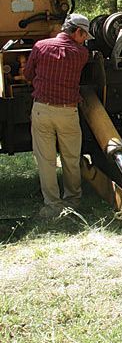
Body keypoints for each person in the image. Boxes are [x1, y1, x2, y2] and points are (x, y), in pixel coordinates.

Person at [24, 13, 92, 219]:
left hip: (42, 109)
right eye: (84, 35)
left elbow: (28, 75)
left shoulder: (40, 46)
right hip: (67, 112)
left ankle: (52, 205)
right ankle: (73, 201)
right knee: (71, 158)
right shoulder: (81, 53)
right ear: (77, 31)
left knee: (46, 160)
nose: (85, 40)